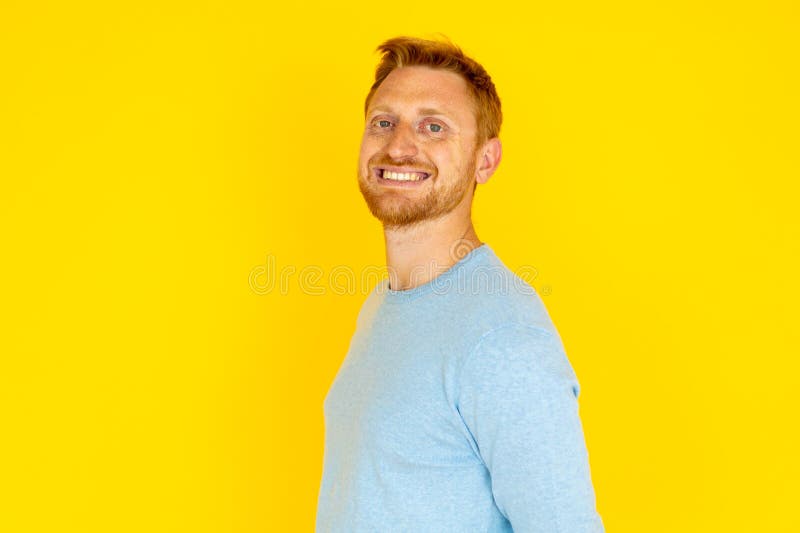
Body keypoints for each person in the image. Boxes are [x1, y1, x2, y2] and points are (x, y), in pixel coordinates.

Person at [316, 36, 604, 532]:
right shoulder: (384, 304)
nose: (399, 145)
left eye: (434, 127)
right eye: (383, 122)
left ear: (485, 161)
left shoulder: (503, 338)